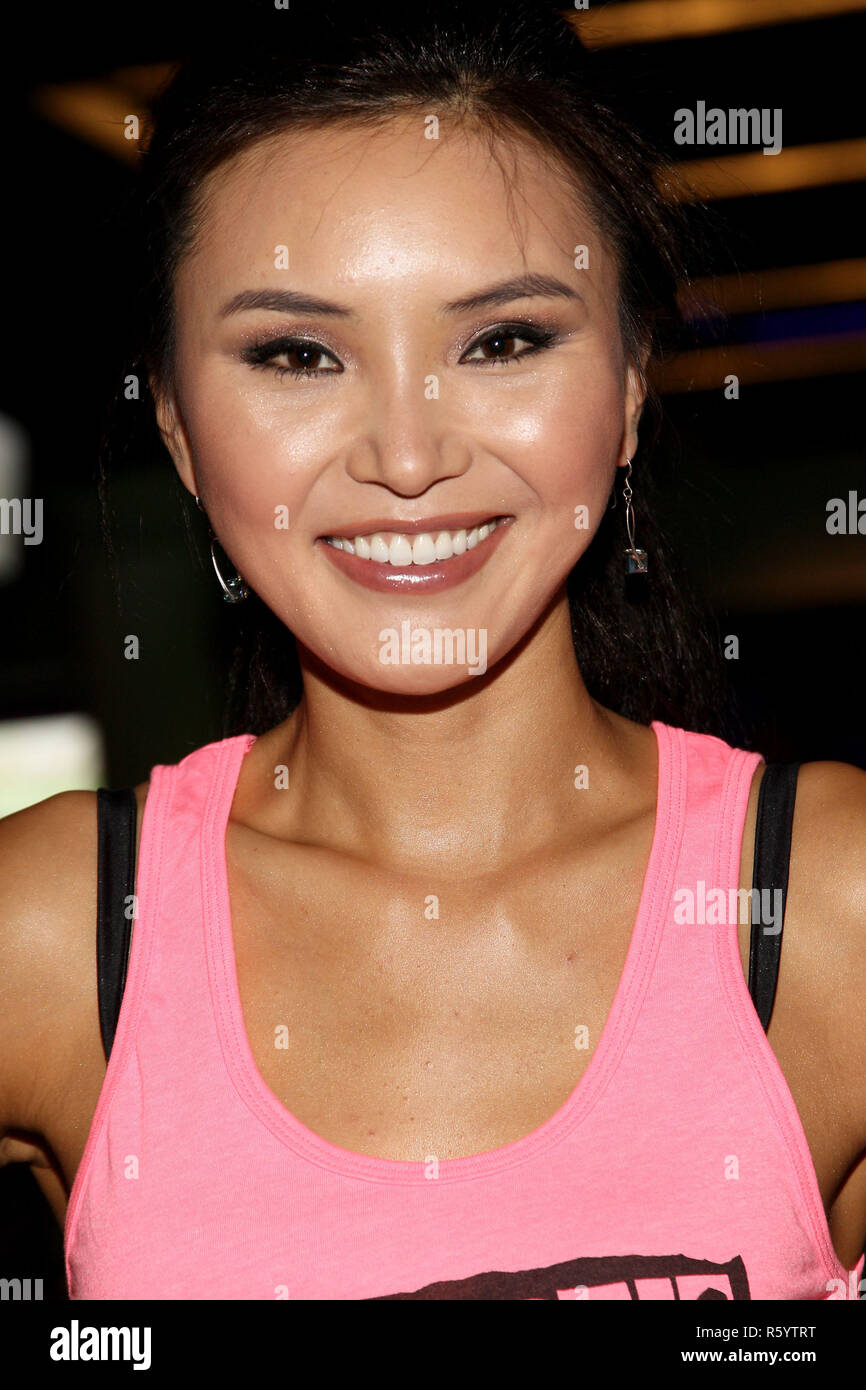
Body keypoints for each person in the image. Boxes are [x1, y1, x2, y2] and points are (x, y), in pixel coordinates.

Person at [1, 0, 864, 1301]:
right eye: (295, 353)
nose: (406, 459)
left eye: (502, 340)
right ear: (176, 423)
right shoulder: (57, 928)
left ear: (630, 379)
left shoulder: (828, 909)